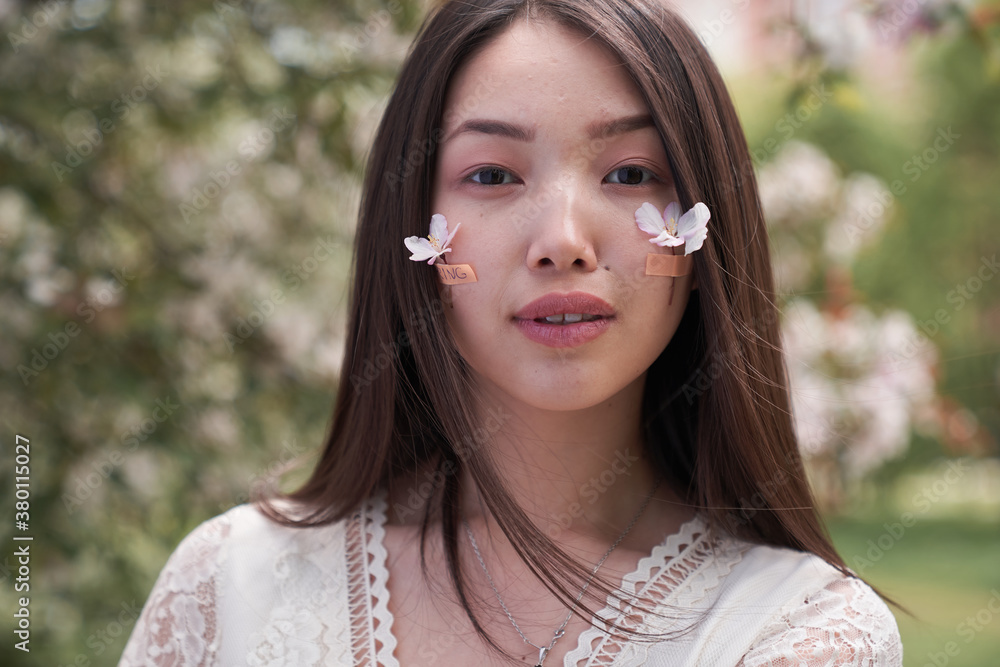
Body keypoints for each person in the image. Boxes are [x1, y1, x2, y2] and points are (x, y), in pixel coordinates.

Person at [119, 0, 904, 665]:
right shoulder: (227, 587)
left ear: (702, 242)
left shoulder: (798, 633)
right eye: (492, 175)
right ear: (415, 233)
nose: (562, 240)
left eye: (630, 173)